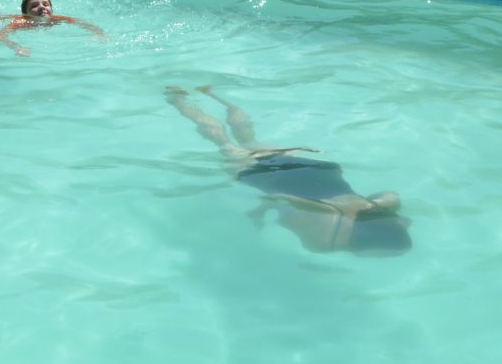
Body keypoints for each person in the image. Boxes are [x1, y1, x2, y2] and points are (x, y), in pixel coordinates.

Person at [165, 85, 411, 256]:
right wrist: (263, 207)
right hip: (266, 178)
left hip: (318, 171)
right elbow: (290, 202)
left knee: (248, 138)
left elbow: (392, 195)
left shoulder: (381, 213)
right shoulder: (326, 243)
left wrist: (371, 205)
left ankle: (211, 93)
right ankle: (176, 97)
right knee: (222, 141)